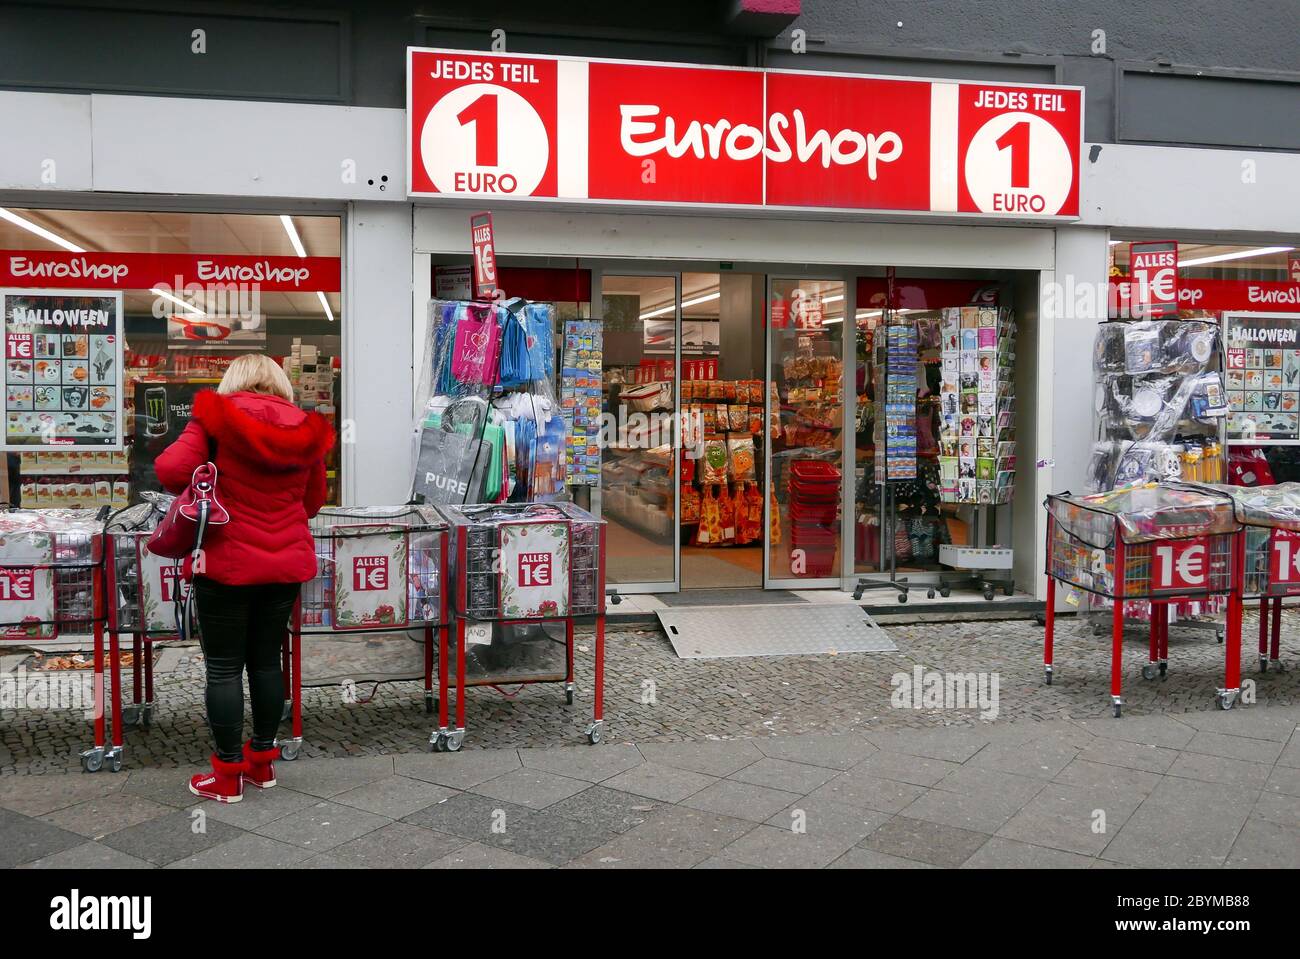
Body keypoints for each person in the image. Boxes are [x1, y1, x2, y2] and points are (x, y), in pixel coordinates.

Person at [155, 354, 333, 803]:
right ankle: (262, 765)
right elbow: (313, 502)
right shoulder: (305, 429)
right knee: (268, 662)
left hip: (226, 563)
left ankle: (227, 776)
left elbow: (171, 471)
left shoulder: (214, 417)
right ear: (280, 383)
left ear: (232, 381)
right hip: (285, 566)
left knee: (223, 667)